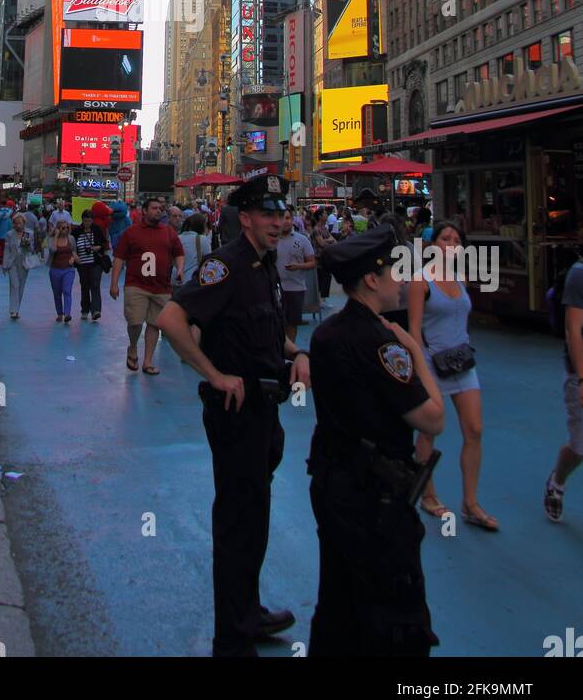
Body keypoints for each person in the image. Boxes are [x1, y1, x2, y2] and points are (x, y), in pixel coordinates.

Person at [158, 174, 310, 657]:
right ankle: (233, 635)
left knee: (257, 517)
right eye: (267, 214)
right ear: (244, 218)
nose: (278, 222)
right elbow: (171, 320)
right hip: (235, 413)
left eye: (281, 213)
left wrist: (296, 352)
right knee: (237, 522)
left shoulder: (265, 266)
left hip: (267, 410)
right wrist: (213, 374)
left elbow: (266, 329)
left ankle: (249, 608)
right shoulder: (224, 266)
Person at [306, 226, 444, 657]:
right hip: (375, 497)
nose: (401, 279)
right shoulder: (385, 345)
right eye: (393, 272)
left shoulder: (327, 334)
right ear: (371, 278)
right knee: (392, 610)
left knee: (338, 602)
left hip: (333, 484)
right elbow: (432, 419)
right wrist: (415, 351)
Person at [407, 220, 498, 531]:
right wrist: (420, 370)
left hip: (462, 362)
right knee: (429, 431)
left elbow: (461, 319)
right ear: (433, 245)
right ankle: (428, 494)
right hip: (433, 364)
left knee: (474, 429)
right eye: (445, 238)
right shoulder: (420, 282)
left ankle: (470, 502)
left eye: (456, 239)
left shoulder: (460, 279)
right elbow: (414, 330)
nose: (451, 244)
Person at [110, 196, 184, 375]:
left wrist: (179, 269)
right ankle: (133, 347)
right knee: (135, 322)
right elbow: (119, 257)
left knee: (154, 324)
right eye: (154, 208)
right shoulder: (131, 232)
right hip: (136, 284)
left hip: (161, 287)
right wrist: (114, 283)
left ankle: (148, 361)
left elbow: (178, 253)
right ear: (144, 211)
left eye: (161, 208)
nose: (158, 211)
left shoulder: (169, 232)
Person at [545, 245, 583, 521]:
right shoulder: (578, 274)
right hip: (579, 372)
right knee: (580, 446)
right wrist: (582, 378)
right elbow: (574, 329)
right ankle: (557, 481)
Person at [275, 208, 311, 345]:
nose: (285, 221)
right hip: (275, 289)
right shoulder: (271, 239)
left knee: (292, 323)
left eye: (288, 218)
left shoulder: (302, 240)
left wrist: (298, 266)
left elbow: (312, 262)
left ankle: (290, 354)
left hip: (295, 288)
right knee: (277, 323)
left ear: (292, 219)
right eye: (282, 218)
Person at [75, 210, 105, 321]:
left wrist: (98, 247)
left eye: (89, 221)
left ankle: (96, 310)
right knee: (84, 286)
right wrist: (75, 256)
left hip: (95, 263)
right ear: (82, 220)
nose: (87, 223)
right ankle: (85, 310)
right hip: (82, 264)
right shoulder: (77, 231)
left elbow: (103, 243)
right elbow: (72, 245)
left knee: (95, 285)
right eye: (85, 220)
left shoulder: (96, 229)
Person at [47, 220, 78, 322]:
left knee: (67, 290)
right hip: (55, 269)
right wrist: (55, 236)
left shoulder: (71, 239)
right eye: (63, 228)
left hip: (68, 269)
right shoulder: (51, 239)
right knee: (57, 293)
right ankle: (60, 313)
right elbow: (53, 250)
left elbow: (74, 251)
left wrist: (73, 259)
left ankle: (67, 313)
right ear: (58, 229)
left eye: (67, 228)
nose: (65, 230)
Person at [178, 213, 211, 280]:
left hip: (175, 278)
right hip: (191, 280)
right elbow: (209, 261)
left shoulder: (177, 238)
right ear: (201, 226)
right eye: (205, 225)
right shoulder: (202, 239)